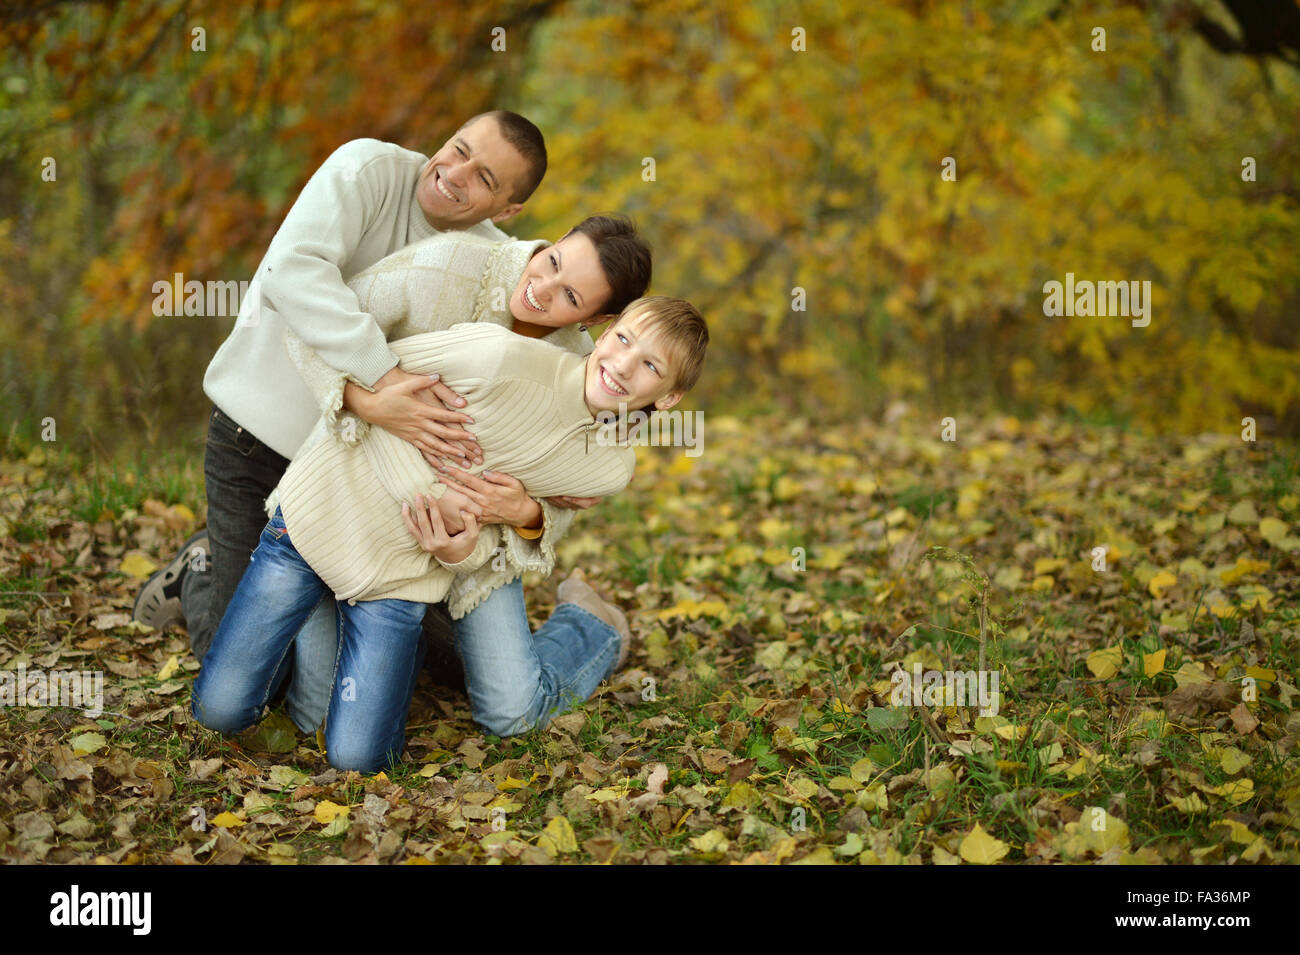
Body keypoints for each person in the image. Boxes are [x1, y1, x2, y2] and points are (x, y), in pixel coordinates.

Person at [133, 112, 565, 722]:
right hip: (257, 443)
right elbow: (294, 270)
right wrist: (378, 380)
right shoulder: (368, 169)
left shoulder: (497, 264)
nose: (455, 173)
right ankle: (201, 566)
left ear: (508, 208)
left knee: (443, 668)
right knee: (259, 682)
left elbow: (540, 368)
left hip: (357, 483)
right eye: (458, 149)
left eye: (485, 177)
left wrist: (549, 490)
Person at [192, 297, 709, 772]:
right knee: (219, 711)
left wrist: (464, 550)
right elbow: (368, 380)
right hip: (319, 521)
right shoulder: (496, 356)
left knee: (358, 759)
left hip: (405, 575)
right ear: (601, 334)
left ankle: (560, 633)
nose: (623, 365)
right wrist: (423, 492)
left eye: (651, 366)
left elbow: (486, 529)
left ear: (669, 398)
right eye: (623, 340)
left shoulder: (604, 470)